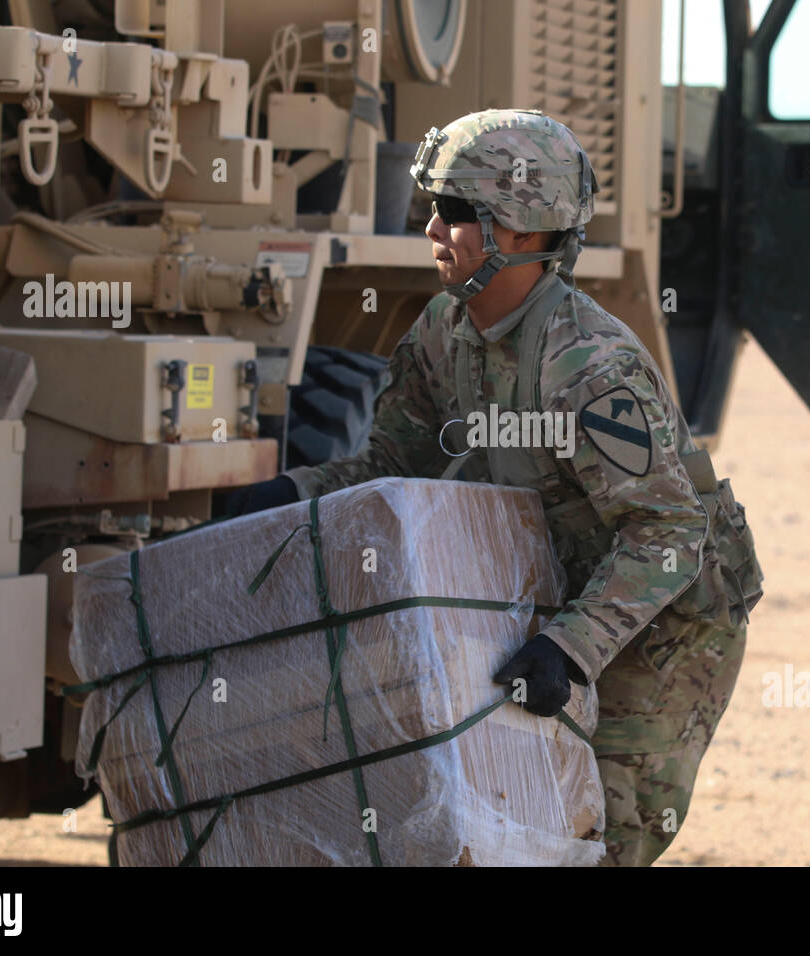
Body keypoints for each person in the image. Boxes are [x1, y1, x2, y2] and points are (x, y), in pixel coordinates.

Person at [223, 109, 763, 866]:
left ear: (522, 231)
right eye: (432, 211)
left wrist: (570, 649)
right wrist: (287, 495)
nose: (434, 232)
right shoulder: (444, 334)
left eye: (456, 214)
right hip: (559, 606)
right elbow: (388, 473)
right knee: (496, 824)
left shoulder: (587, 367)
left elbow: (669, 536)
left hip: (664, 624)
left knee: (589, 838)